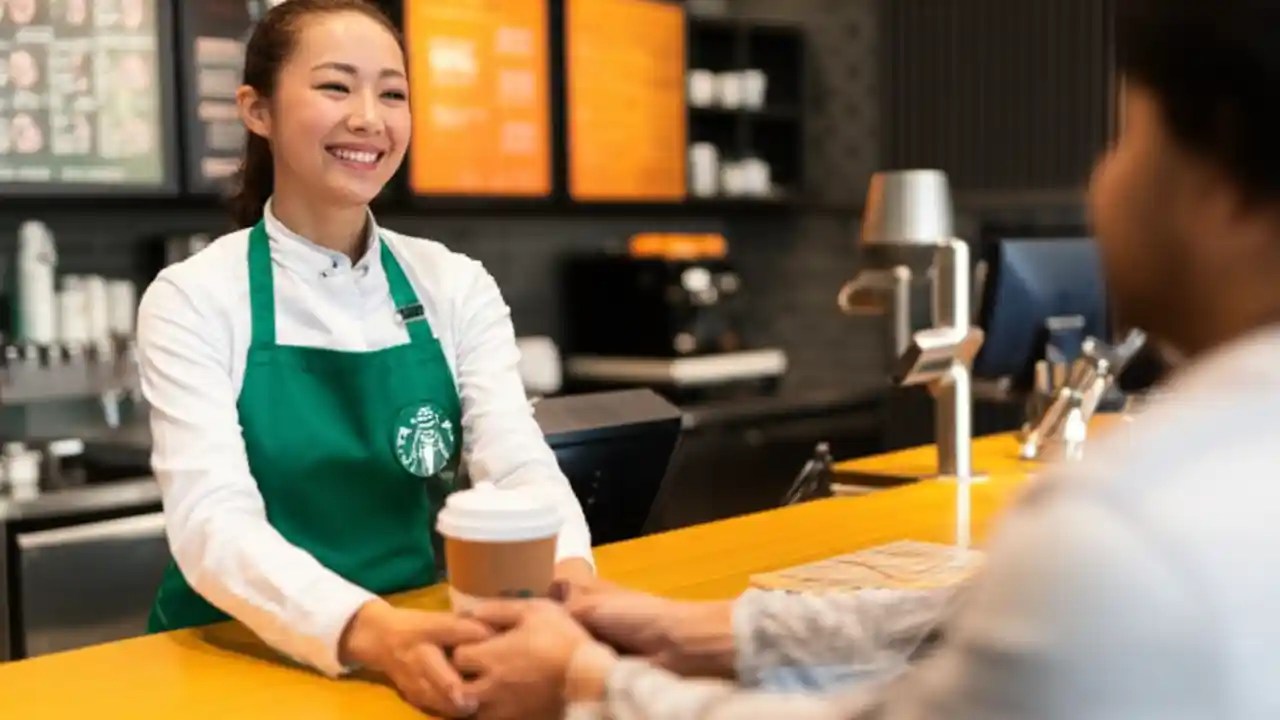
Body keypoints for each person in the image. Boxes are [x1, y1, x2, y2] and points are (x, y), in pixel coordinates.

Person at [450, 0, 1280, 718]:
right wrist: (706, 630)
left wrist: (587, 685)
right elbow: (969, 617)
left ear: (1222, 184)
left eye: (1127, 135)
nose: (1102, 178)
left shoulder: (1124, 533)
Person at [135, 1, 592, 716]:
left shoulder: (454, 284)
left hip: (414, 635)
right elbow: (212, 525)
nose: (369, 118)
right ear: (257, 110)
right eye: (335, 86)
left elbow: (515, 464)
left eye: (393, 93)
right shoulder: (194, 297)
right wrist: (373, 633)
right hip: (234, 654)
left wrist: (570, 580)